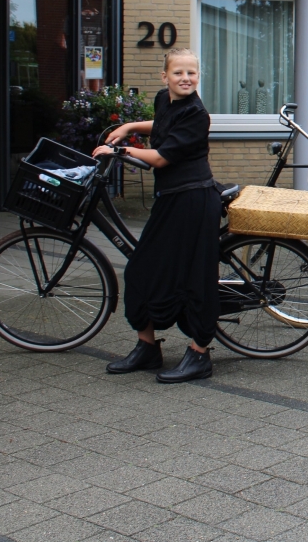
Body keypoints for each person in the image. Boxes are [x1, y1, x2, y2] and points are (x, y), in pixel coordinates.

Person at [95, 48, 221, 383]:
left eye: (191, 73)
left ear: (198, 77)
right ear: (165, 77)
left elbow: (163, 157)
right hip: (171, 199)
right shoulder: (166, 100)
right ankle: (148, 347)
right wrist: (129, 126)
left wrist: (121, 150)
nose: (185, 78)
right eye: (178, 73)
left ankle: (199, 354)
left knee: (194, 279)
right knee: (140, 270)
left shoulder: (197, 113)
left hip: (193, 200)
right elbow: (163, 125)